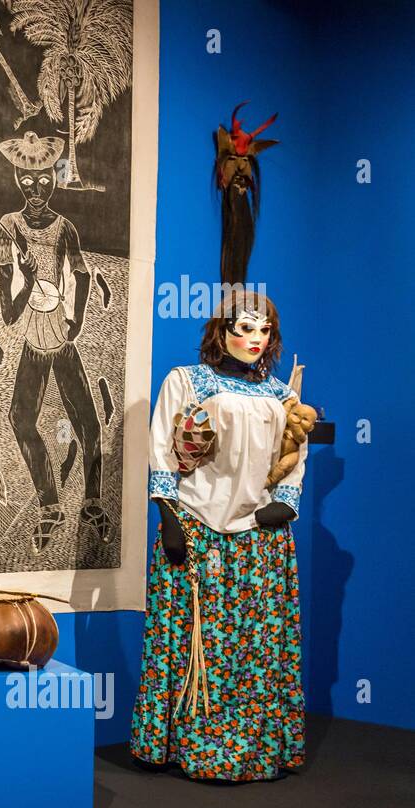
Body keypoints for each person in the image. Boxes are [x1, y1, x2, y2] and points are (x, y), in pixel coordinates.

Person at [130, 290, 307, 782]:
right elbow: (163, 445)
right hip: (196, 526)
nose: (254, 338)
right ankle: (184, 746)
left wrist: (286, 502)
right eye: (244, 328)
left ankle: (254, 749)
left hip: (259, 535)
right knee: (194, 641)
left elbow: (294, 451)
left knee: (254, 646)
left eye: (263, 330)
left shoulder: (281, 394)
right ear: (221, 331)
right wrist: (166, 514)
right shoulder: (187, 381)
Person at [0, 131, 108, 555]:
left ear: (55, 180)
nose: (37, 189)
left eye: (44, 180)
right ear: (17, 179)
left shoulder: (66, 229)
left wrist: (75, 319)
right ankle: (50, 504)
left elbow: (81, 274)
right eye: (27, 180)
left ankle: (92, 503)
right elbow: (8, 311)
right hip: (33, 336)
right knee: (21, 419)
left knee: (90, 424)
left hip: (59, 334)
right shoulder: (7, 227)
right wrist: (25, 282)